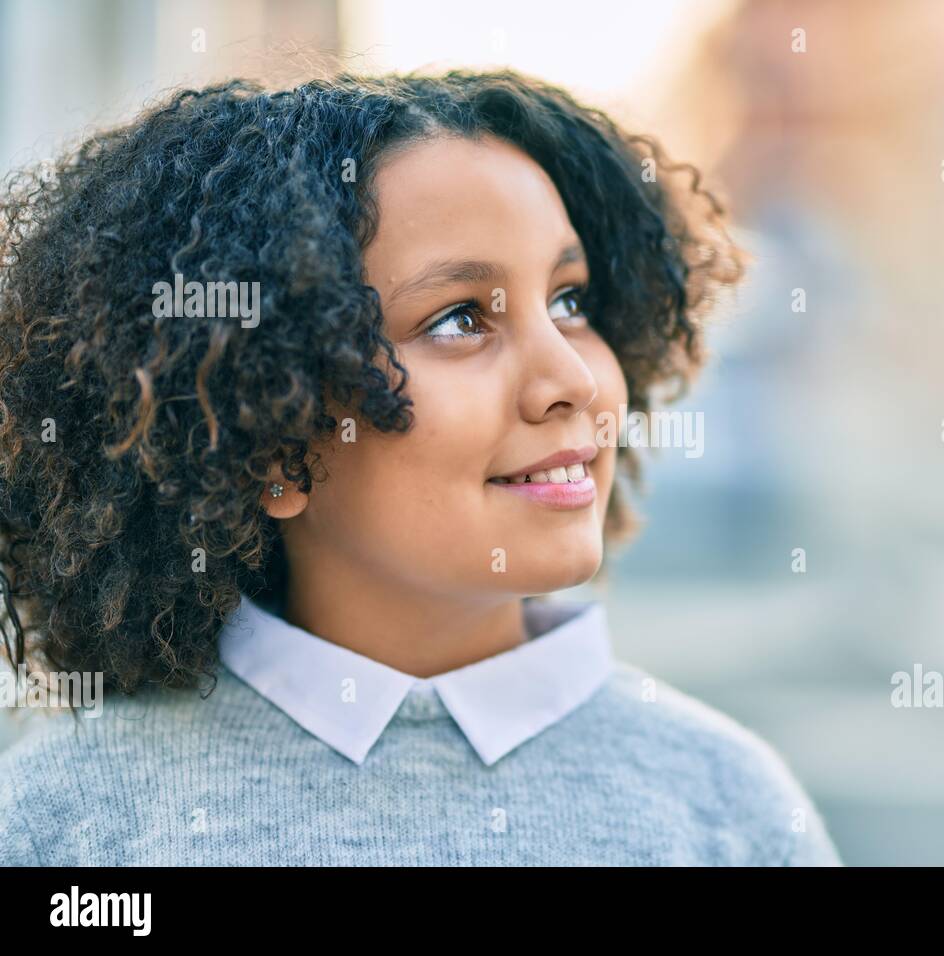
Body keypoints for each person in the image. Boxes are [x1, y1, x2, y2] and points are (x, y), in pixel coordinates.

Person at [0, 70, 842, 866]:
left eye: (571, 302)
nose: (575, 381)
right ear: (267, 433)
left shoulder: (732, 814)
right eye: (459, 318)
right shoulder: (67, 821)